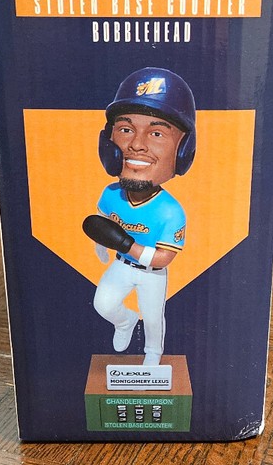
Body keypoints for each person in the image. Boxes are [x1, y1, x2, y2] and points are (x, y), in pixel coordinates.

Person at [83, 67, 196, 366]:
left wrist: (124, 244)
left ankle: (153, 353)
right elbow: (103, 217)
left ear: (183, 150)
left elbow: (163, 258)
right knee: (103, 304)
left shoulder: (171, 211)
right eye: (125, 129)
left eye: (157, 133)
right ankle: (125, 321)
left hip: (151, 274)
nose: (136, 144)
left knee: (154, 318)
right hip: (121, 266)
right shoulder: (111, 193)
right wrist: (102, 244)